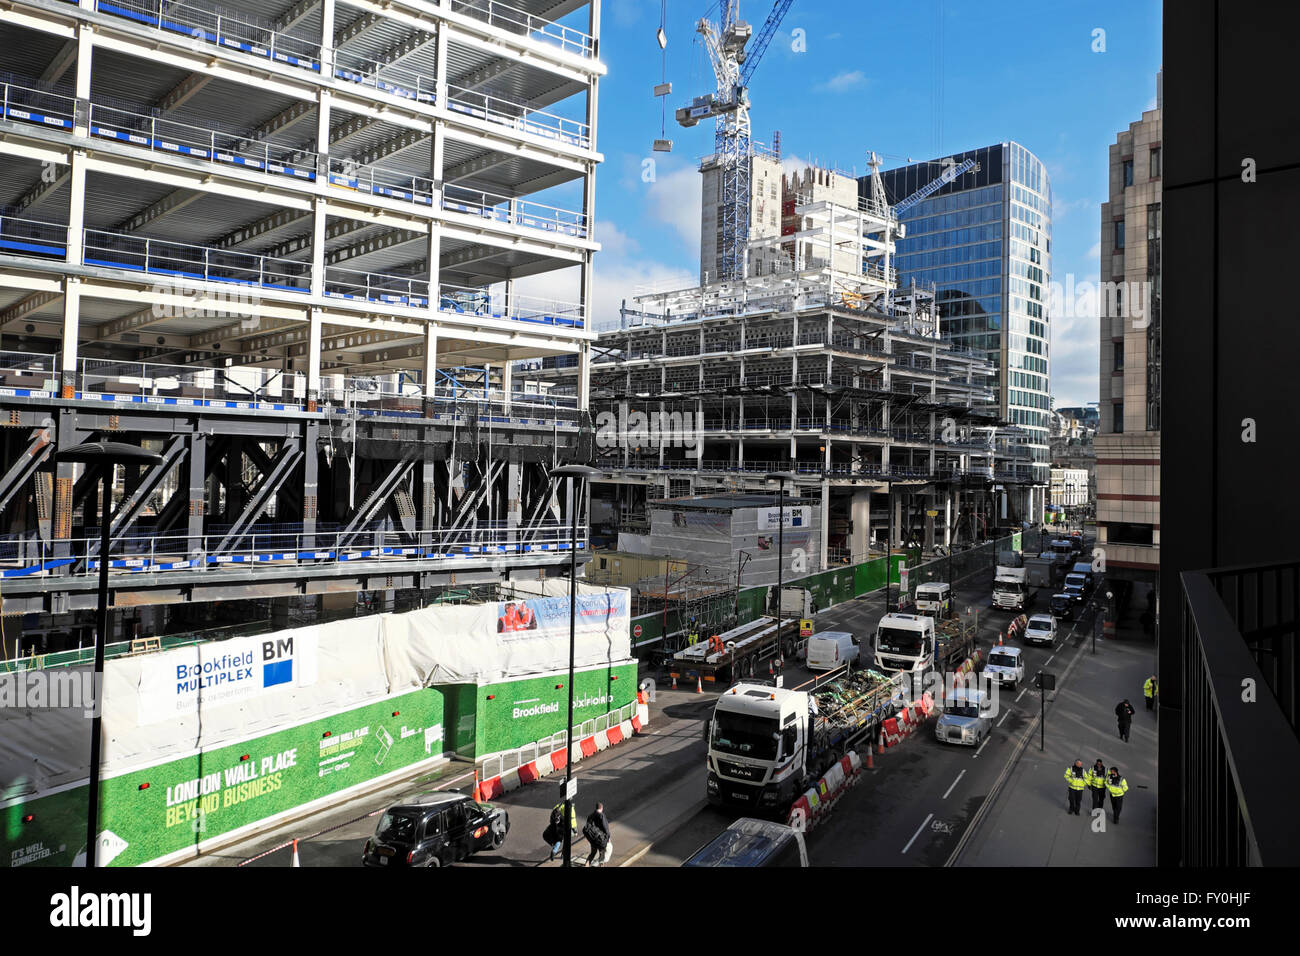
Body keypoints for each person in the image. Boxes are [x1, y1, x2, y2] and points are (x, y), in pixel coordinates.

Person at [583, 802, 611, 867]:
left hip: (592, 839)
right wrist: (608, 837)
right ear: (602, 808)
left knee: (593, 853)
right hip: (600, 839)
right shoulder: (602, 816)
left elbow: (587, 827)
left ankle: (586, 865)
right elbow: (606, 828)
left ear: (596, 808)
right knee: (602, 854)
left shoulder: (590, 816)